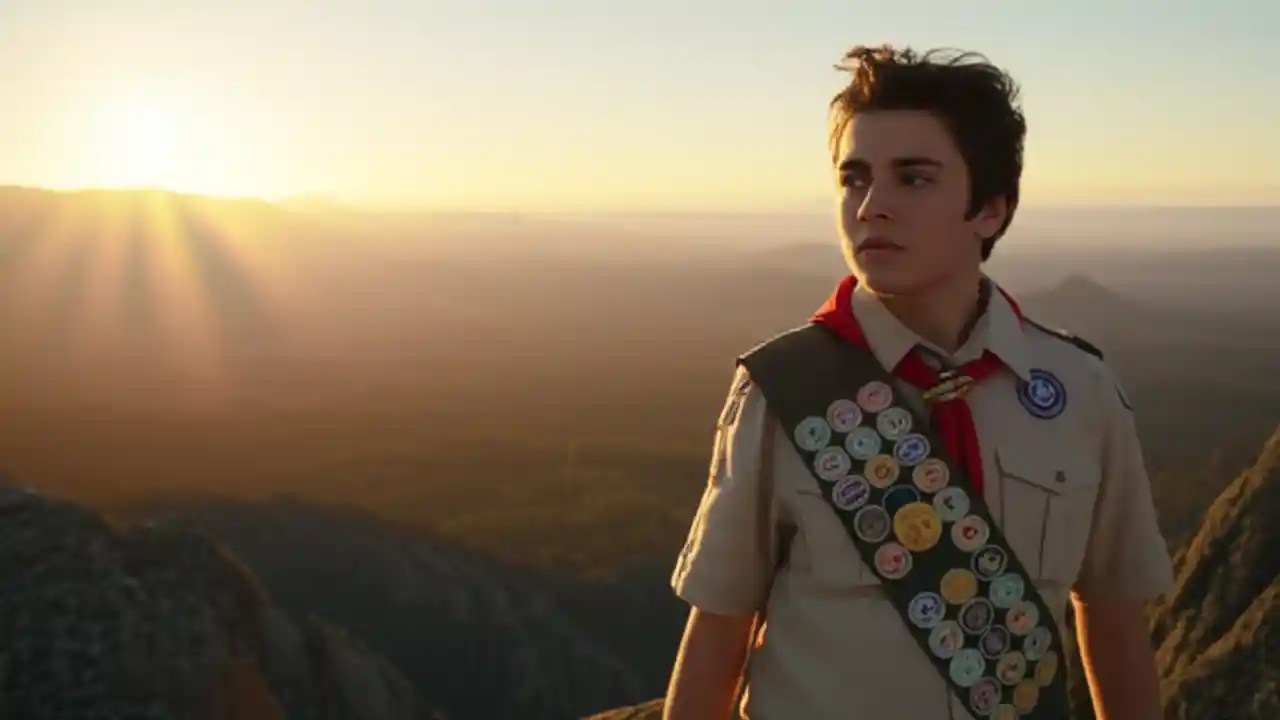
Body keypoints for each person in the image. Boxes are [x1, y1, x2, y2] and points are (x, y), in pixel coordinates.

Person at [663, 45, 1173, 720]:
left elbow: (1113, 623)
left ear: (989, 210)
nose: (872, 206)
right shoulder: (785, 389)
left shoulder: (1080, 392)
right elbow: (718, 631)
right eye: (854, 179)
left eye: (914, 179)